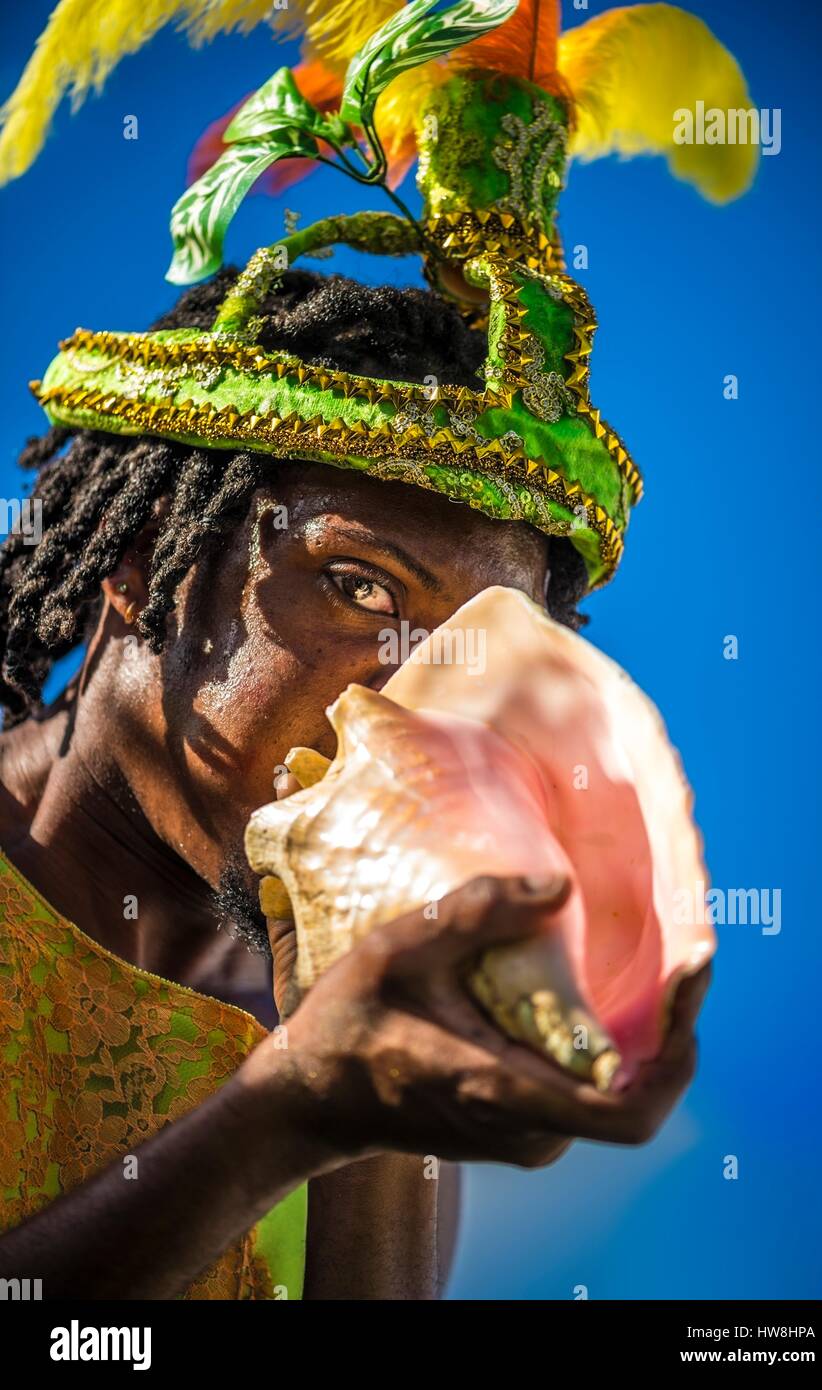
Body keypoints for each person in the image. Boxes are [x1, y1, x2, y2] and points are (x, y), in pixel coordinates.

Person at [0, 0, 751, 1298]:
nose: (415, 708)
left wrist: (361, 1111)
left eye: (479, 648)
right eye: (359, 585)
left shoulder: (351, 1008)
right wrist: (293, 1109)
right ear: (134, 572)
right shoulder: (319, 1060)